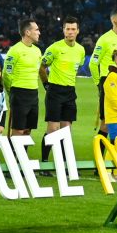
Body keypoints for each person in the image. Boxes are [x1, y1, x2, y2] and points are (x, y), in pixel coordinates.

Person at [38, 17, 82, 148]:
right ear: (63, 30)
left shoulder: (80, 50)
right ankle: (45, 162)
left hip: (70, 92)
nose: (70, 32)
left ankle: (65, 163)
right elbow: (41, 67)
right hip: (55, 92)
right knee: (53, 129)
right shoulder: (54, 48)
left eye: (73, 29)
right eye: (67, 29)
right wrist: (46, 84)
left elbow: (77, 68)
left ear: (78, 31)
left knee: (66, 131)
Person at [90, 7, 117, 129]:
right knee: (106, 123)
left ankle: (116, 148)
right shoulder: (104, 39)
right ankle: (99, 148)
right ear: (114, 20)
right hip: (108, 82)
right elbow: (92, 63)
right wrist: (99, 84)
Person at [2, 18, 42, 141]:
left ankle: (23, 158)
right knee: (18, 129)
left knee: (28, 129)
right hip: (19, 93)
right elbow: (6, 74)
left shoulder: (37, 51)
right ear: (27, 32)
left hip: (33, 93)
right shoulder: (15, 50)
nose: (39, 32)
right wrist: (11, 92)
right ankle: (14, 157)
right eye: (36, 30)